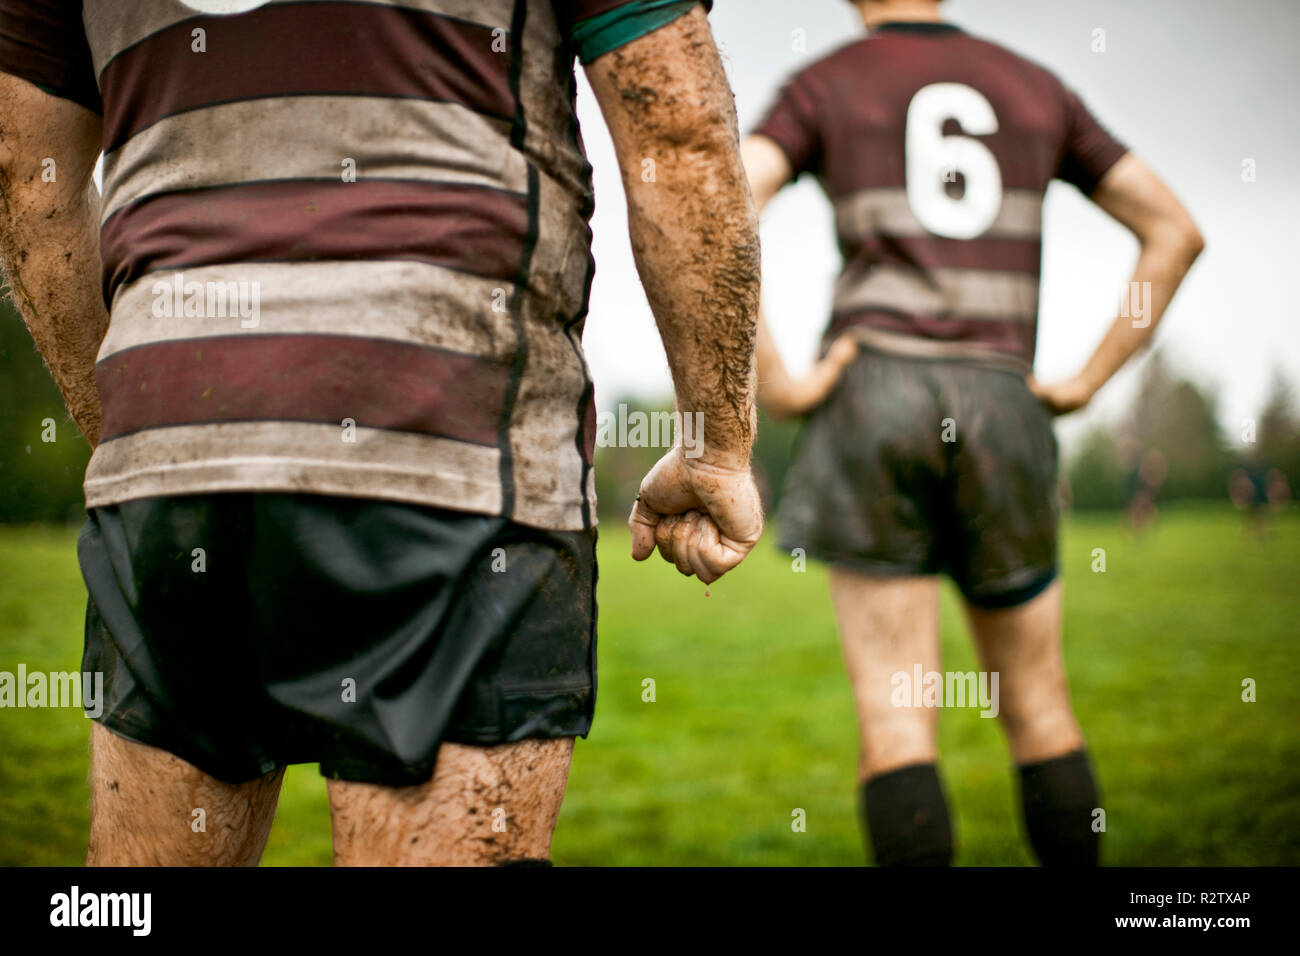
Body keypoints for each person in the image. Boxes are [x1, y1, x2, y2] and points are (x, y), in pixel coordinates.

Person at [0, 0, 763, 866]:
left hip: (169, 438)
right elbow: (679, 131)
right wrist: (715, 441)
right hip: (447, 427)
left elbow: (27, 169)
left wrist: (136, 428)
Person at [743, 0, 1203, 865]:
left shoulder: (825, 81)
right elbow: (1174, 231)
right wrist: (1087, 380)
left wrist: (773, 381)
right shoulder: (1035, 86)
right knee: (1039, 704)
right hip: (1004, 401)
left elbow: (722, 199)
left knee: (894, 721)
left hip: (871, 394)